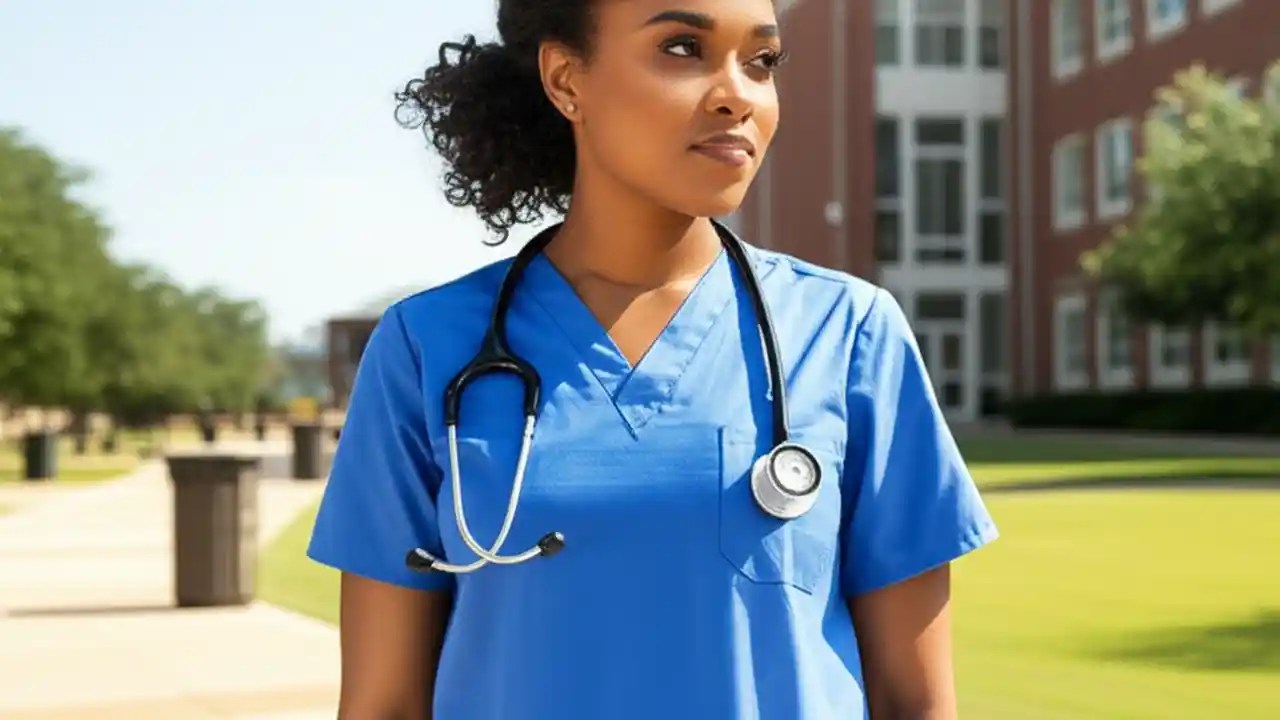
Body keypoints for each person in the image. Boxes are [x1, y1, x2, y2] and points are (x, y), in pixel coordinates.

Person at [306, 0, 998, 718]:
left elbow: (914, 700)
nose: (736, 94)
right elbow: (383, 704)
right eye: (681, 48)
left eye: (761, 62)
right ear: (567, 79)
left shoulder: (848, 333)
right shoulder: (426, 349)